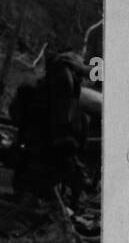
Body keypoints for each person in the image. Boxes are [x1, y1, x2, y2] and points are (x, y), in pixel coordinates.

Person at [8, 48, 93, 206]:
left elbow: (16, 117)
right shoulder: (72, 110)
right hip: (43, 160)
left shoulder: (31, 89)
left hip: (31, 156)